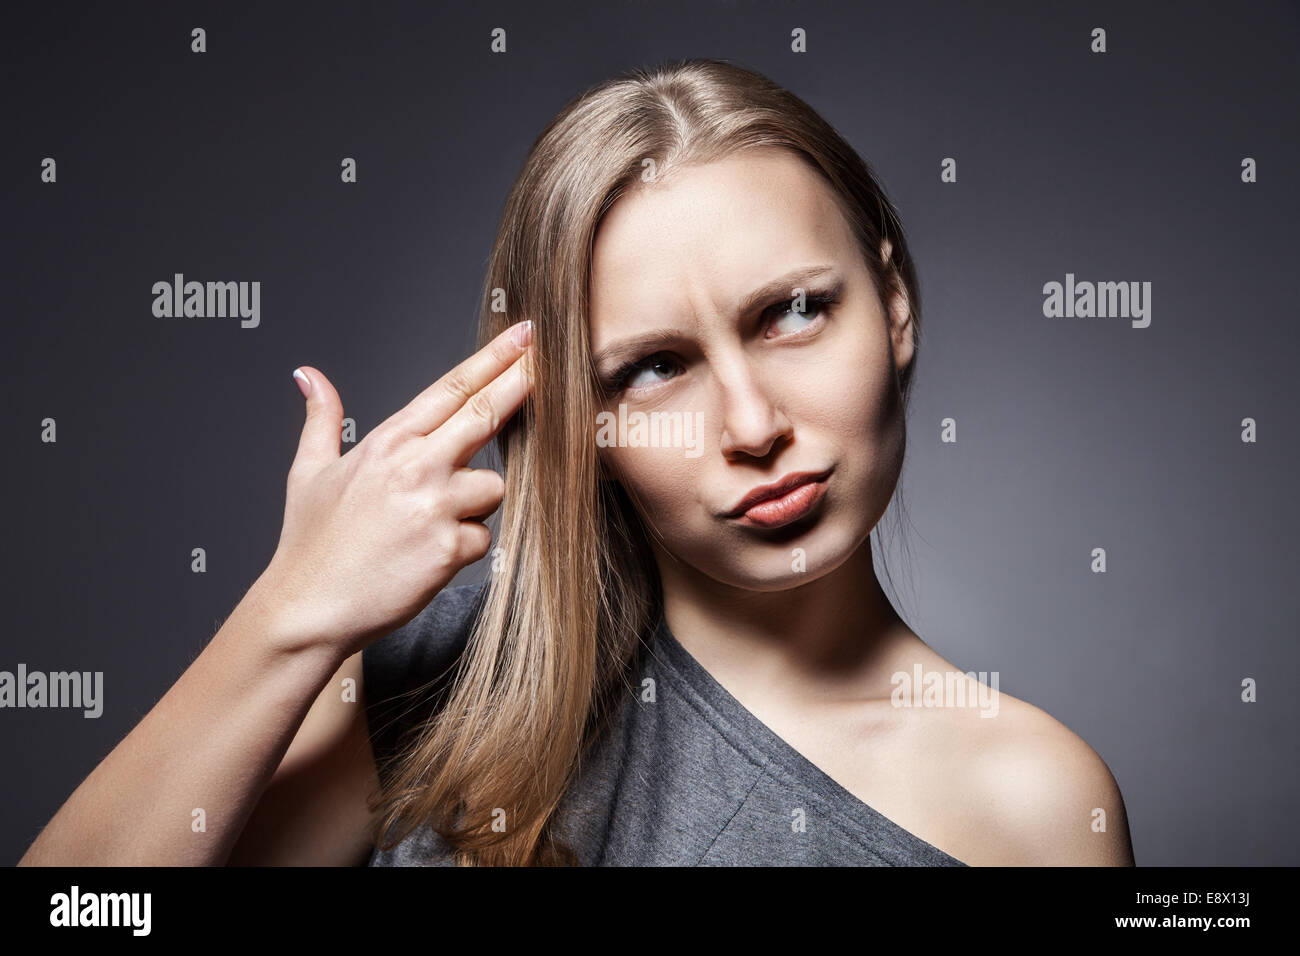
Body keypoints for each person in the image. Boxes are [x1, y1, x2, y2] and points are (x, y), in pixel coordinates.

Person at [20, 58, 1134, 868]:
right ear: (579, 424)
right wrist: (291, 613)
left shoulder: (1036, 804)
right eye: (651, 368)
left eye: (793, 312)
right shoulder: (440, 679)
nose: (751, 421)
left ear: (891, 306)